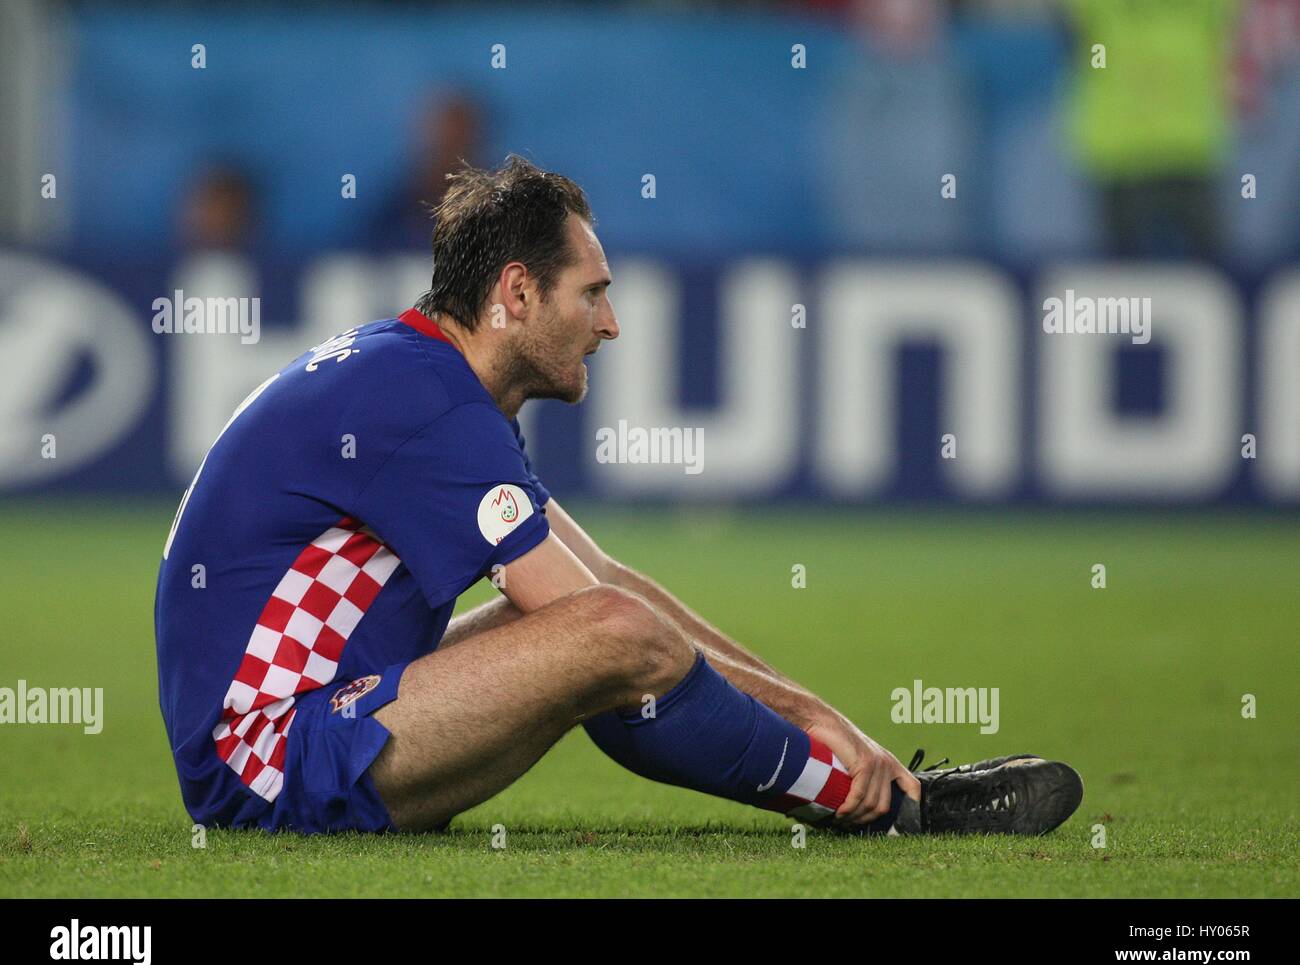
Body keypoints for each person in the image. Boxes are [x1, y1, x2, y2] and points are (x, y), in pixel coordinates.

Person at [155, 154, 1083, 837]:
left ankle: (874, 787)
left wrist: (816, 708)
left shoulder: (426, 379)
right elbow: (600, 622)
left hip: (311, 724)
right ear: (516, 292)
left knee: (606, 623)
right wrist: (811, 728)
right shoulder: (423, 401)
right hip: (270, 757)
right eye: (590, 293)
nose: (610, 323)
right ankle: (876, 807)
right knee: (607, 637)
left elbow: (605, 575)